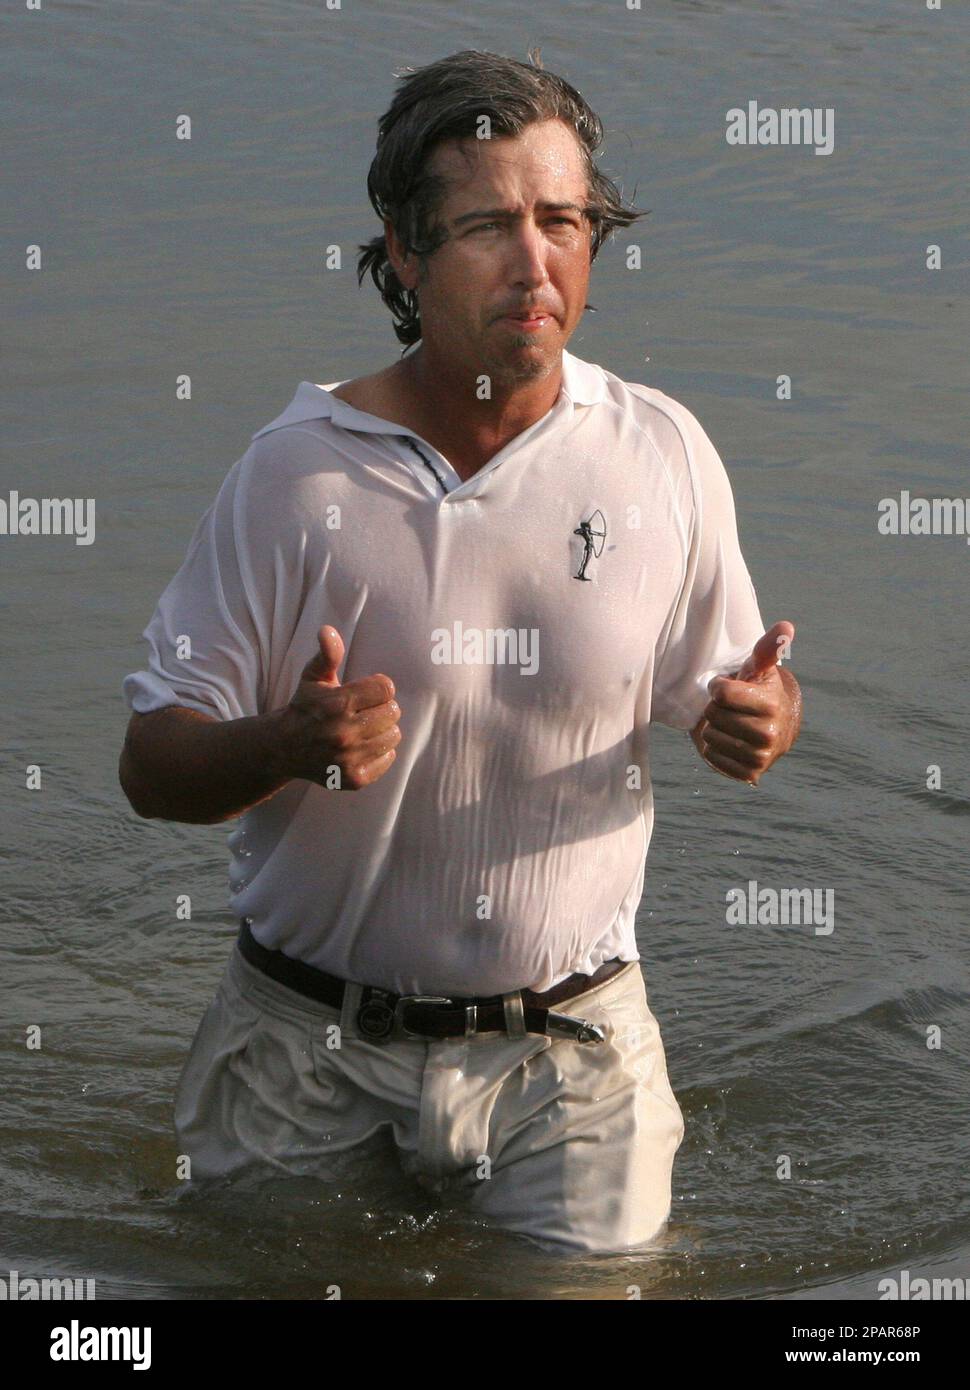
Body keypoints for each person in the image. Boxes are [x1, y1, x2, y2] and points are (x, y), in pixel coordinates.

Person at [119, 49, 802, 1254]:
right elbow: (151, 763)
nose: (536, 264)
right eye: (489, 224)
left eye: (563, 220)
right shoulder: (296, 473)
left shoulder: (661, 454)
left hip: (574, 1056)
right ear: (403, 252)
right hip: (301, 1046)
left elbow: (734, 686)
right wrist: (281, 744)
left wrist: (758, 718)